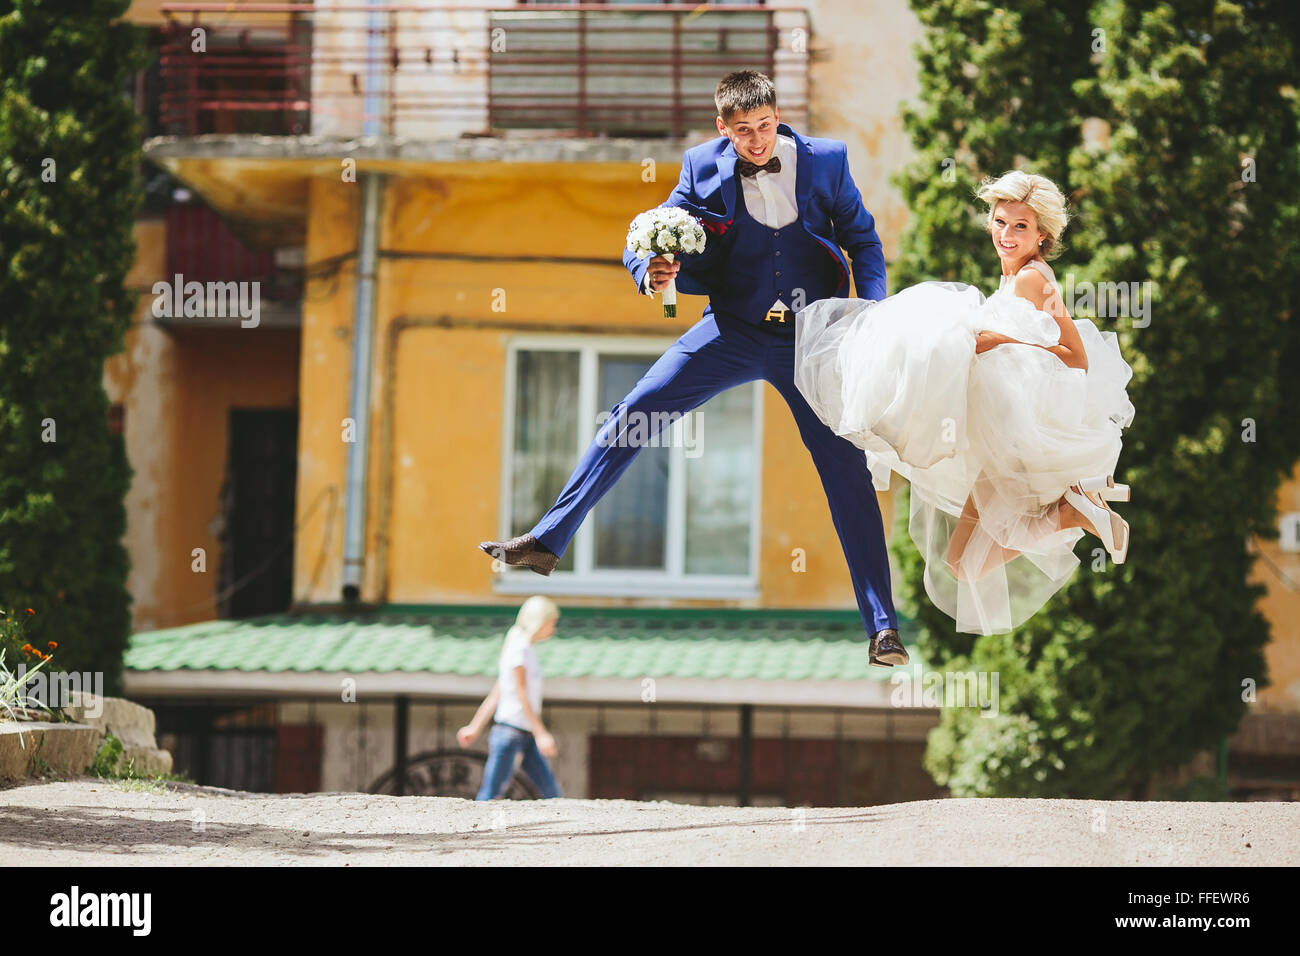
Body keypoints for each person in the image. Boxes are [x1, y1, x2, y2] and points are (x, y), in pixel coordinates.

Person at [479, 69, 909, 668]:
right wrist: (648, 270)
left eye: (764, 127)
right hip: (732, 328)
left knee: (845, 474)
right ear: (722, 128)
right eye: (742, 131)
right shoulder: (700, 166)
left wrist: (871, 313)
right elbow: (647, 232)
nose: (756, 141)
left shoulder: (827, 162)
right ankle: (549, 540)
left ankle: (883, 629)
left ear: (778, 116)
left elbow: (863, 240)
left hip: (812, 340)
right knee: (634, 415)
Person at [793, 170, 1136, 636]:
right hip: (993, 437)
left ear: (1042, 236)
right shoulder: (1010, 279)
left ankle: (1075, 508)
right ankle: (1074, 507)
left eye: (1020, 226)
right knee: (962, 563)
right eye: (1000, 222)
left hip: (1015, 435)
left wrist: (999, 342)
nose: (1007, 235)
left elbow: (1075, 356)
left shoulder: (1036, 280)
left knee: (971, 558)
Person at [458, 595, 564, 800]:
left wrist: (475, 726)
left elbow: (499, 691)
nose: (553, 628)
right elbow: (520, 692)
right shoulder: (520, 648)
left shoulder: (525, 648)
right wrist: (541, 733)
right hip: (510, 733)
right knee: (490, 794)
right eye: (551, 623)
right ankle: (474, 830)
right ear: (539, 621)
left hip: (523, 734)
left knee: (551, 793)